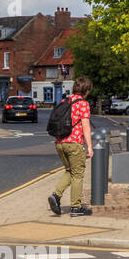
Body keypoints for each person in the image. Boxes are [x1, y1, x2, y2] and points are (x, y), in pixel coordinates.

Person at [49, 75, 94, 217]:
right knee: (78, 175)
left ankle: (56, 196)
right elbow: (85, 127)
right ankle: (76, 207)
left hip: (60, 143)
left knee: (70, 170)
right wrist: (90, 147)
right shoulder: (83, 104)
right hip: (74, 144)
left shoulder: (65, 101)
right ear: (86, 91)